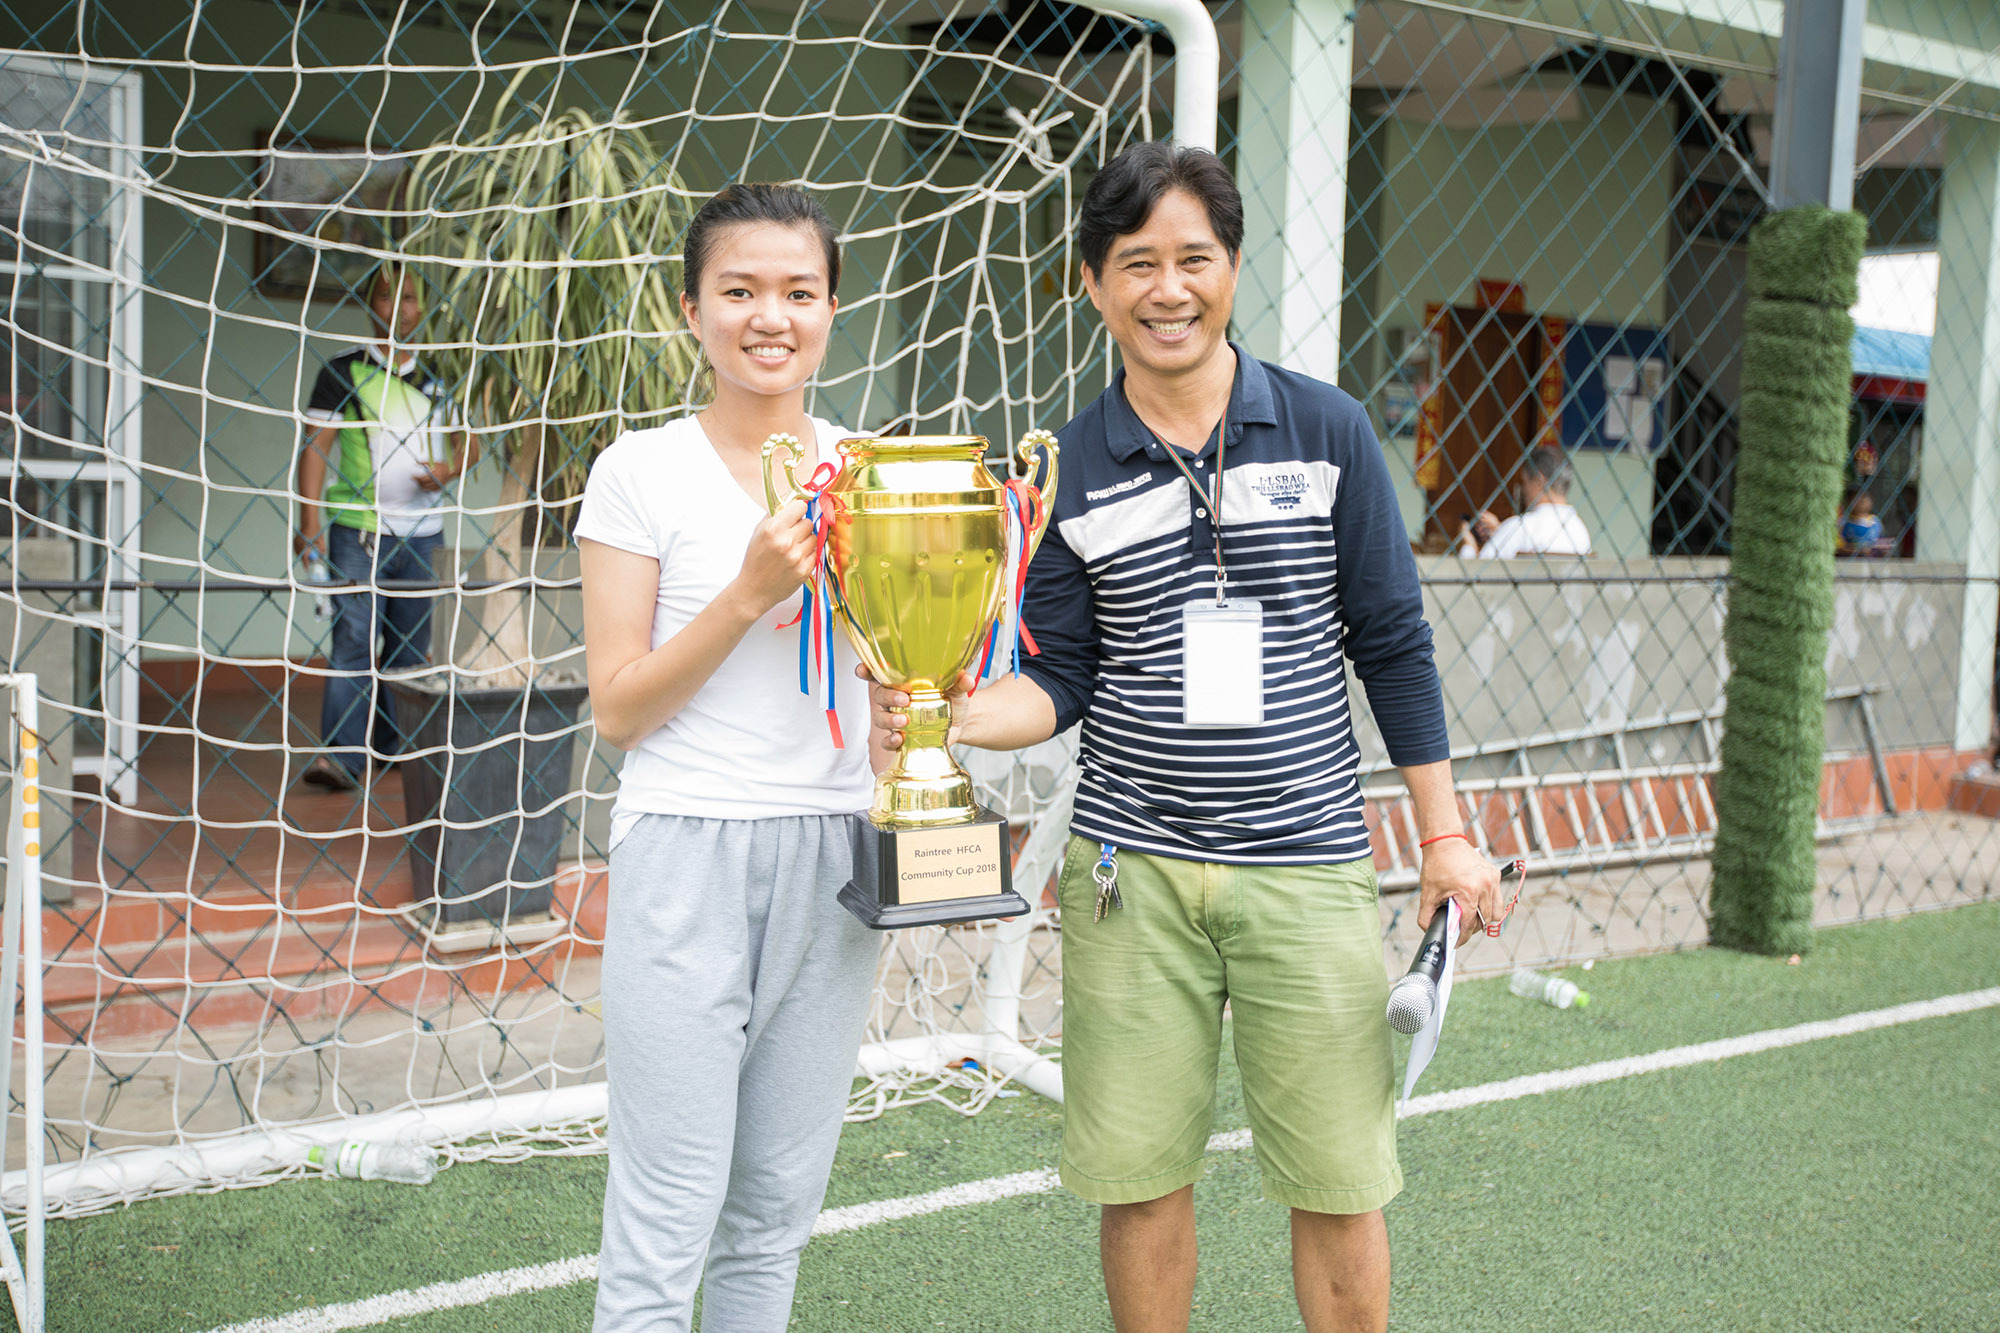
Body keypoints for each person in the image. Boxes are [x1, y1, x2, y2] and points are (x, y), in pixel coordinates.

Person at [868, 143, 1501, 1333]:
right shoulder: (1059, 470)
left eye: (1191, 260)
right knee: (1139, 1178)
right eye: (1135, 264)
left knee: (1339, 1180)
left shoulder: (1329, 430)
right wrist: (942, 707)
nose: (1167, 289)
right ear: (1092, 284)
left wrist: (1445, 835)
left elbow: (1392, 642)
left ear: (1232, 267)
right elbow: (1057, 678)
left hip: (1307, 865)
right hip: (1129, 877)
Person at [574, 184, 880, 1333]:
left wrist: (908, 720)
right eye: (739, 290)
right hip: (686, 850)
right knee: (667, 1207)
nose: (770, 316)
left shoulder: (868, 473)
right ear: (691, 309)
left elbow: (888, 668)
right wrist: (749, 595)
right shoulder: (638, 471)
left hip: (835, 856)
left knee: (773, 1208)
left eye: (797, 292)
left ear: (830, 309)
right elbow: (616, 709)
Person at [294, 263, 475, 790]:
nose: (399, 308)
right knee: (353, 640)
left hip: (424, 534)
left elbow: (470, 445)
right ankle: (343, 759)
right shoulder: (341, 372)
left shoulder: (444, 373)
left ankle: (396, 750)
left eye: (411, 298)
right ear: (369, 303)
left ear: (425, 308)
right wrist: (310, 523)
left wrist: (448, 470)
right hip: (358, 531)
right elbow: (314, 449)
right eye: (386, 296)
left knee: (409, 650)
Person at [1457, 444, 1591, 558]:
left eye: (1524, 482)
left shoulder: (1519, 528)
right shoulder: (1581, 532)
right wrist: (1501, 531)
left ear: (1539, 481)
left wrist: (1469, 546)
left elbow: (1475, 578)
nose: (1523, 491)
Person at [1839, 491, 1887, 556]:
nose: (1862, 502)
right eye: (1857, 499)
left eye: (1865, 499)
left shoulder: (1876, 522)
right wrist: (1856, 551)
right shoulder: (1844, 522)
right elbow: (1840, 546)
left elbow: (1881, 541)